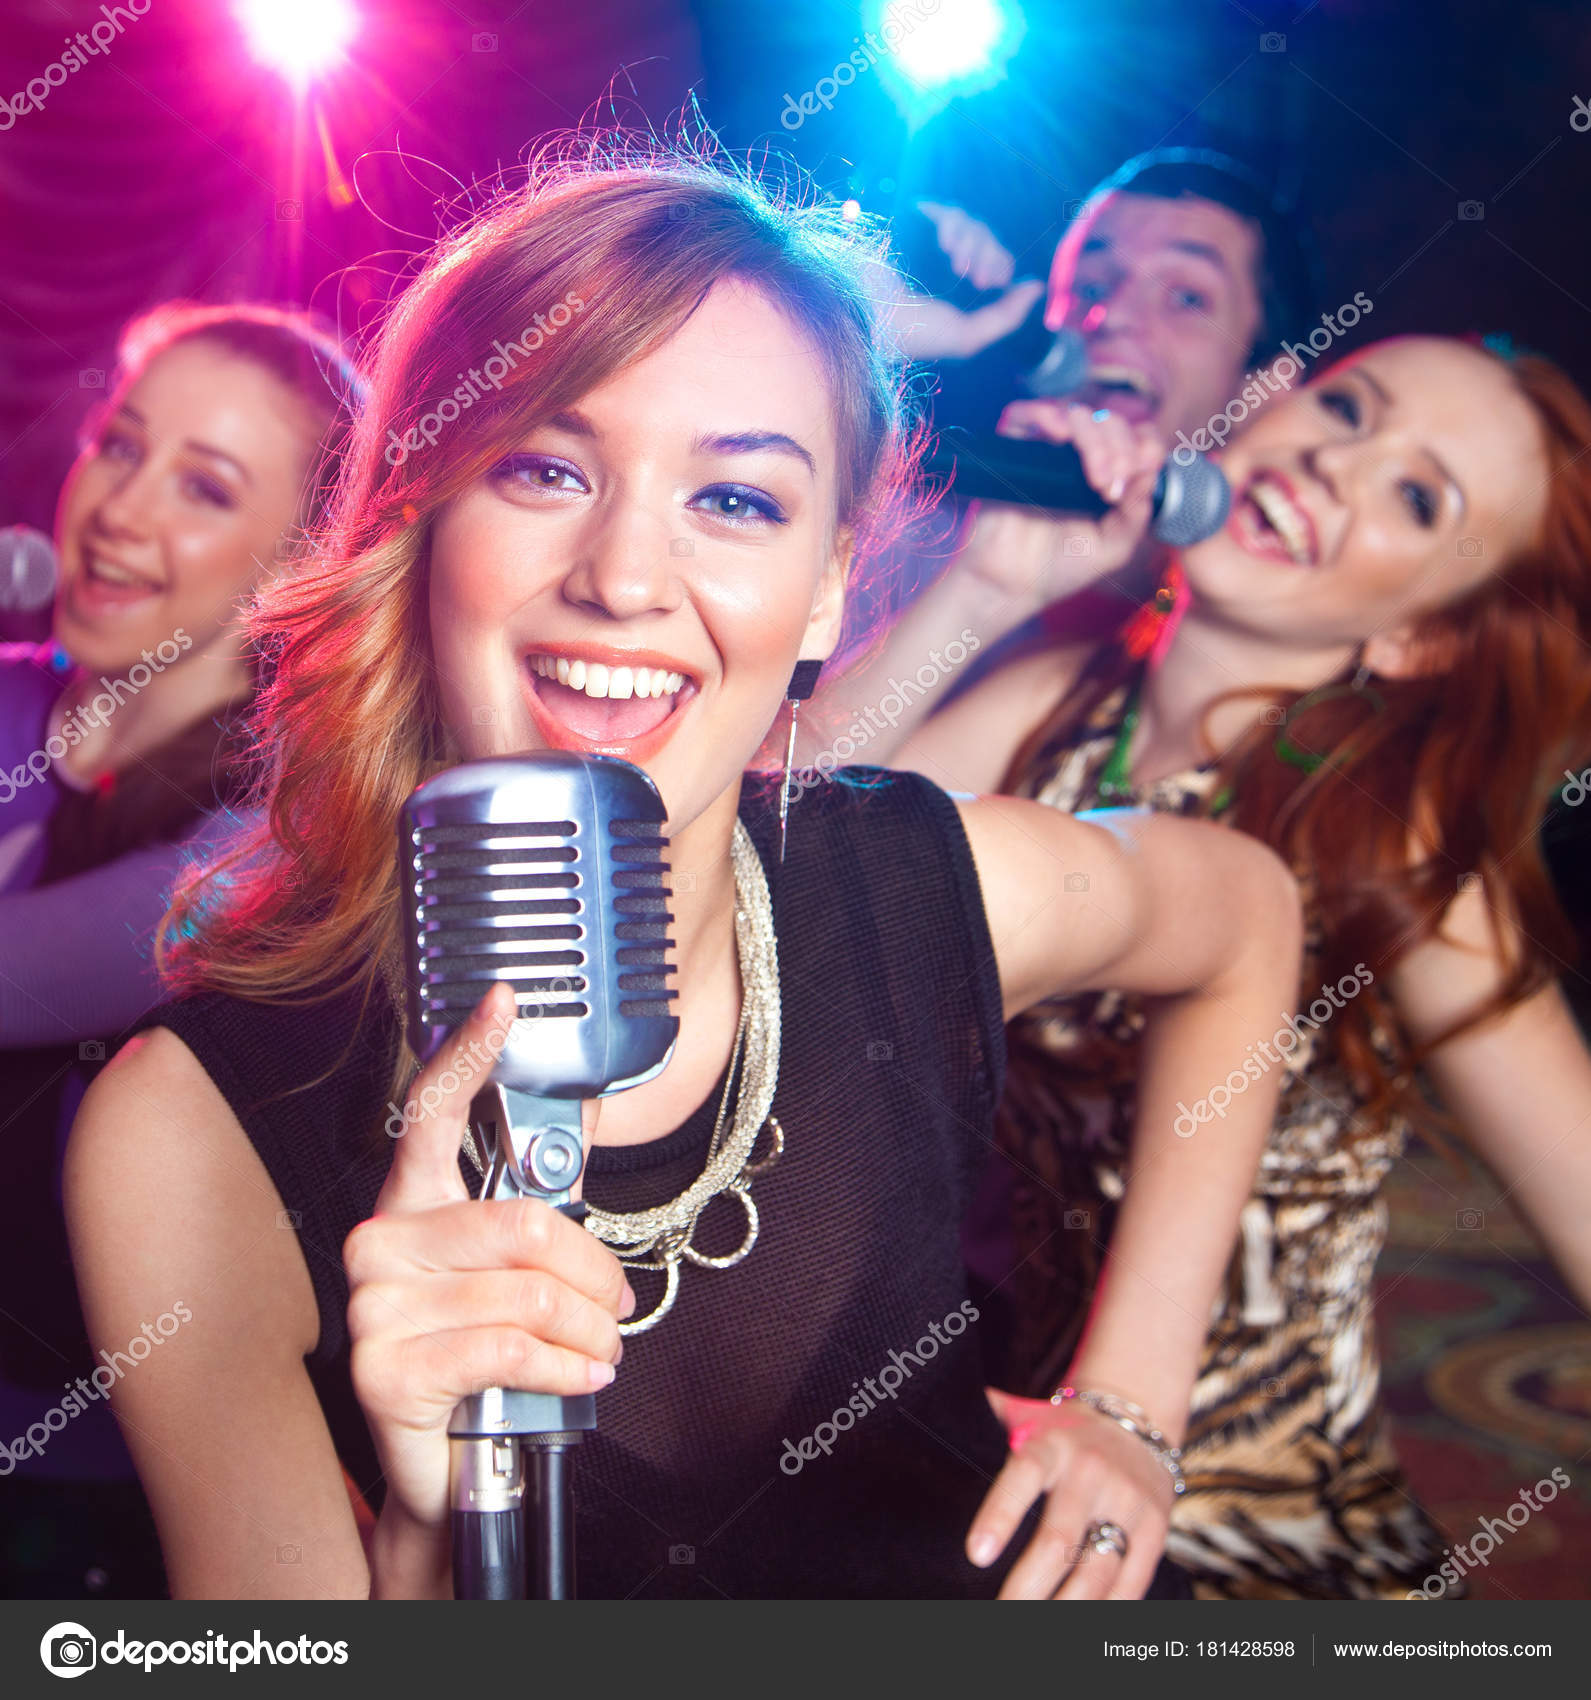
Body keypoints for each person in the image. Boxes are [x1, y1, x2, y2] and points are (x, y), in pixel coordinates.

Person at [65, 147, 1303, 1601]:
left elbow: (1246, 918)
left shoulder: (907, 883)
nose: (624, 577)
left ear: (827, 587)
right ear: (417, 512)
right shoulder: (191, 1135)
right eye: (543, 468)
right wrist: (424, 1532)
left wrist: (1129, 1406)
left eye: (734, 502)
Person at [864, 331, 1591, 1598]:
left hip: (1255, 1535)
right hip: (1042, 1463)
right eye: (1345, 405)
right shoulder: (1063, 689)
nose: (1334, 461)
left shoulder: (1386, 842)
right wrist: (983, 582)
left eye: (1418, 495)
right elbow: (767, 860)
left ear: (1420, 635)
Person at [0, 301, 356, 1596]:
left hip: (85, 1519)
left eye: (203, 486)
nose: (118, 507)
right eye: (119, 444)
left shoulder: (277, 842)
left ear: (291, 564)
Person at [825, 148, 1318, 757]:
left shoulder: (1246, 650)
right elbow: (757, 829)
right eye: (1090, 285)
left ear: (1264, 387)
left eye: (1187, 299)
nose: (1111, 316)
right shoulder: (889, 524)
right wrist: (835, 324)